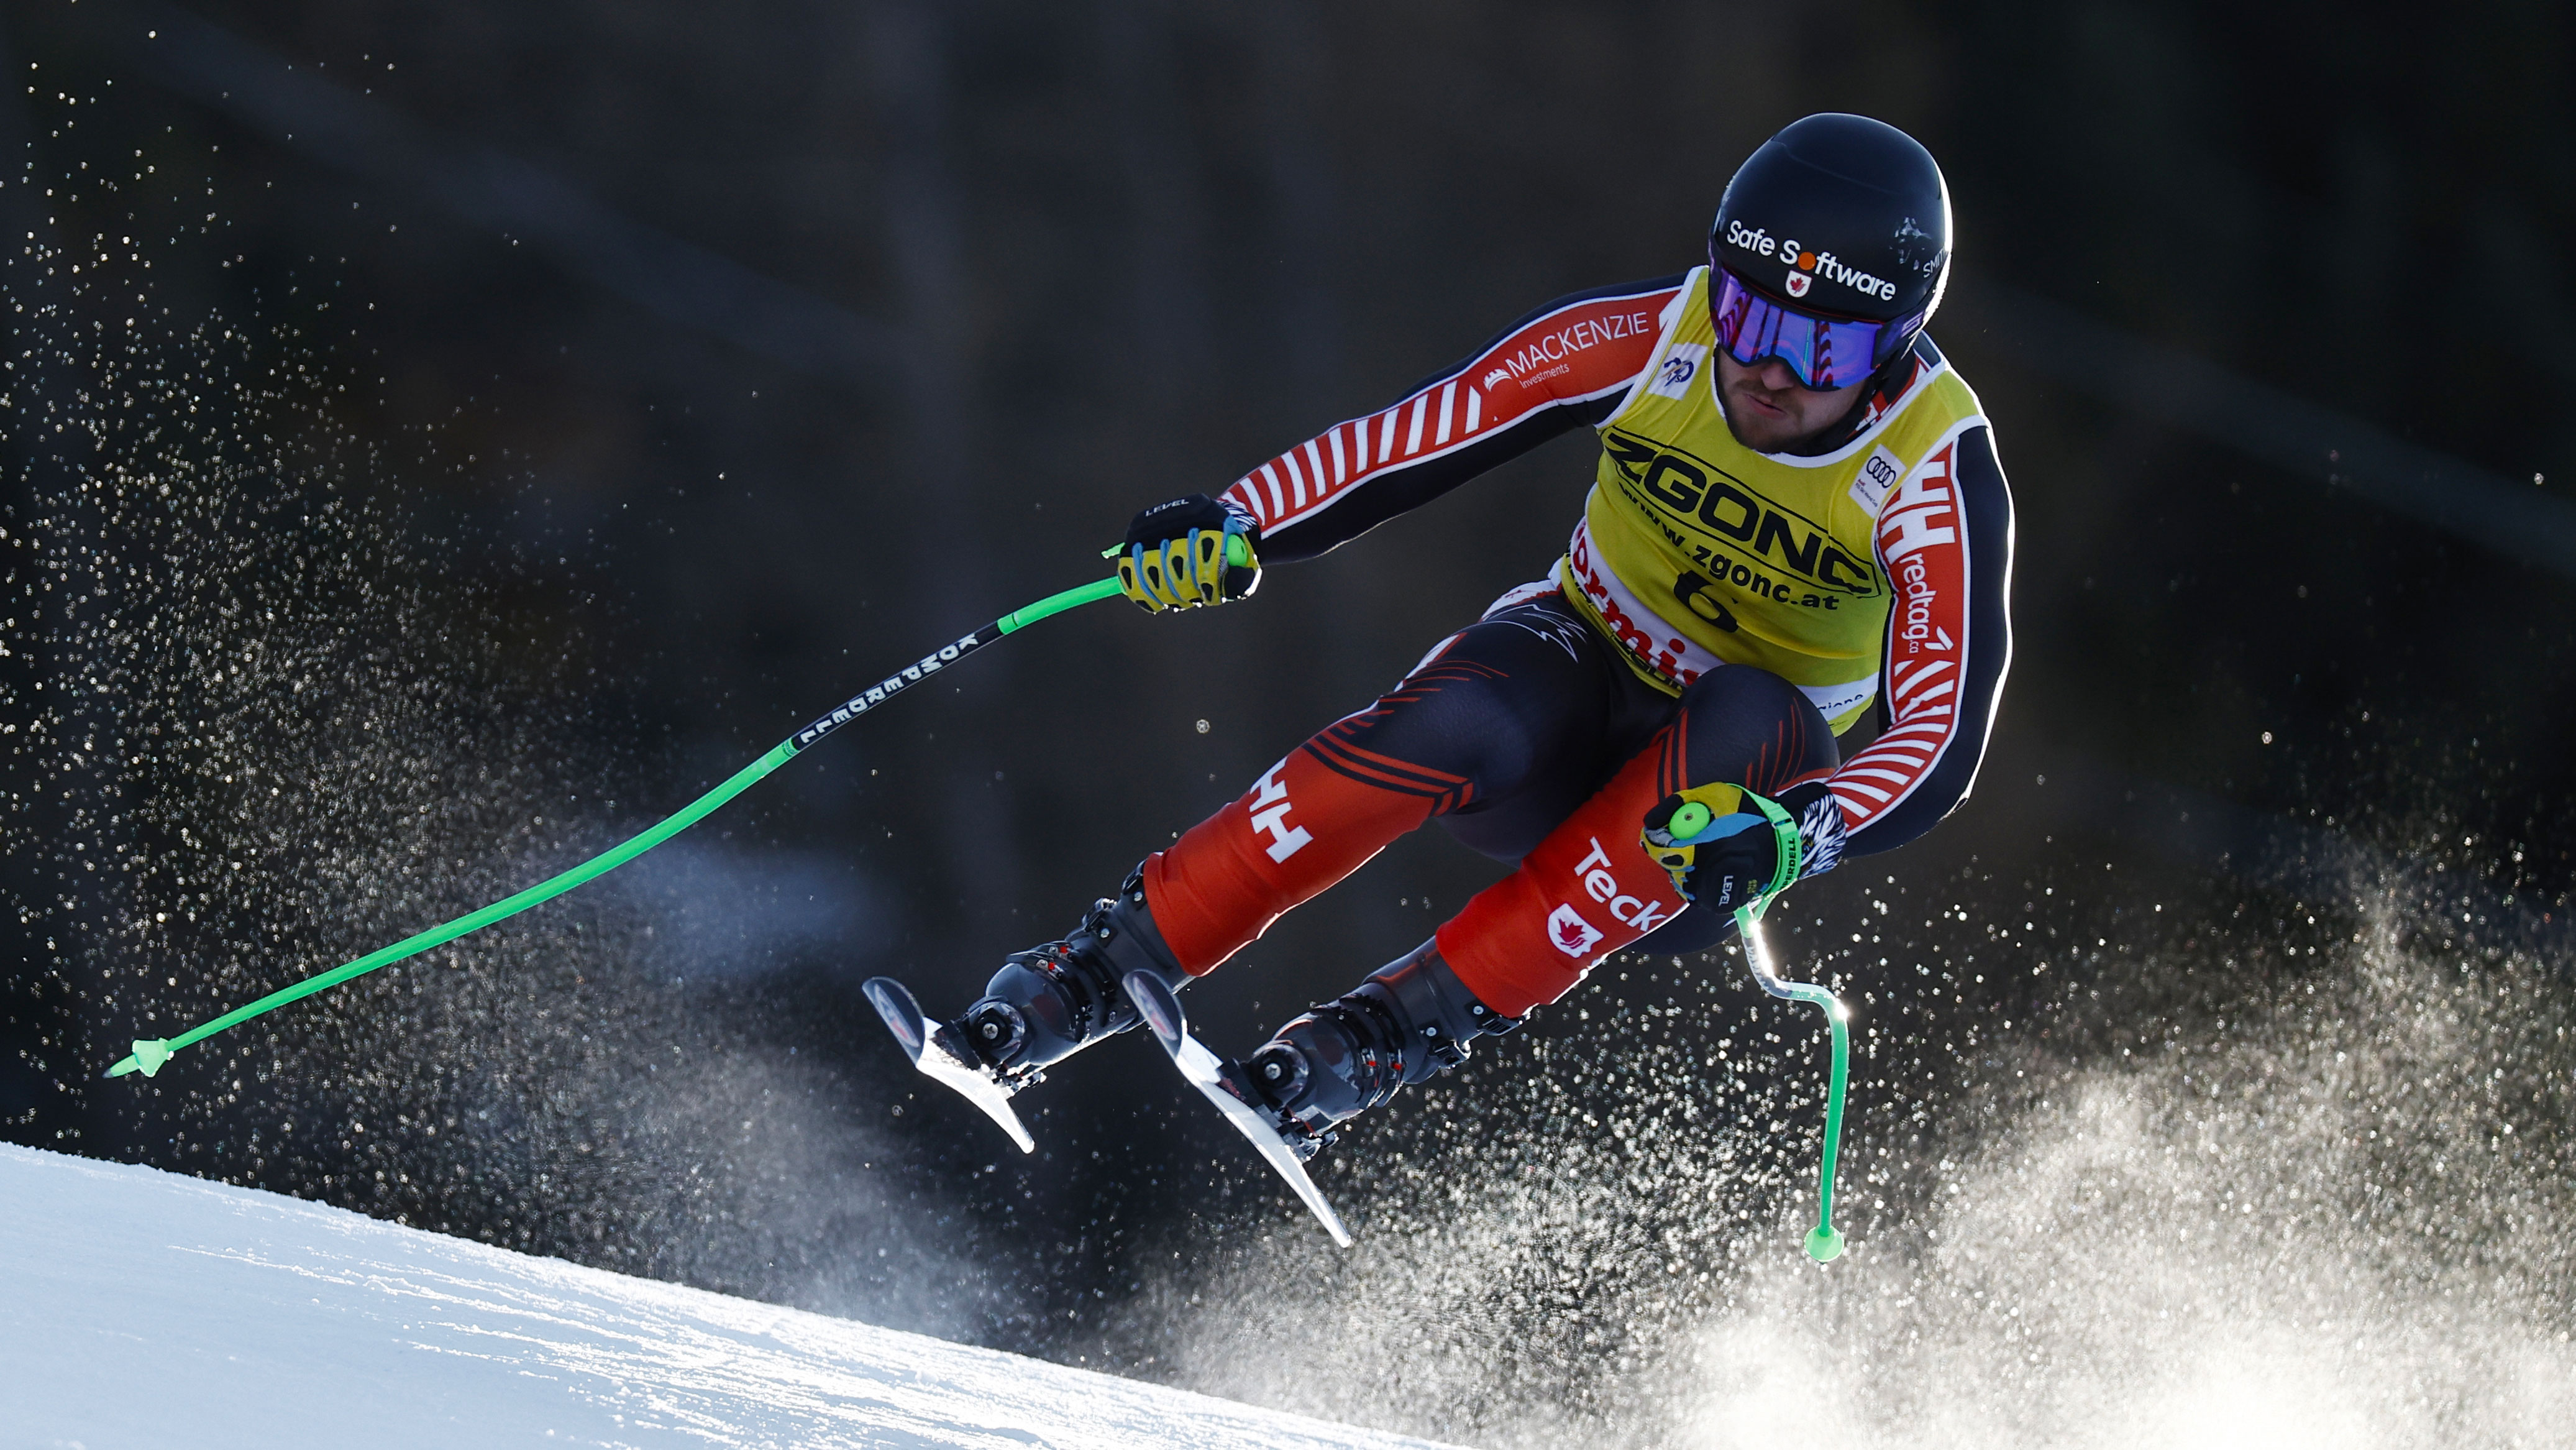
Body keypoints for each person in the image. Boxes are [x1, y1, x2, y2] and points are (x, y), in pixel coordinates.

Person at [935, 112, 2011, 1154]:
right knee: (1470, 707)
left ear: (1894, 348)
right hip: (1567, 691)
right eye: (1751, 317)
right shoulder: (1650, 338)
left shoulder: (1928, 470)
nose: (1769, 369)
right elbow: (1423, 432)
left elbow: (1940, 733)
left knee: (1755, 710)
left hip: (1708, 815)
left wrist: (1798, 831)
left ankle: (1384, 1036)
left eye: (1820, 348)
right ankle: (1094, 969)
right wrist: (1239, 521)